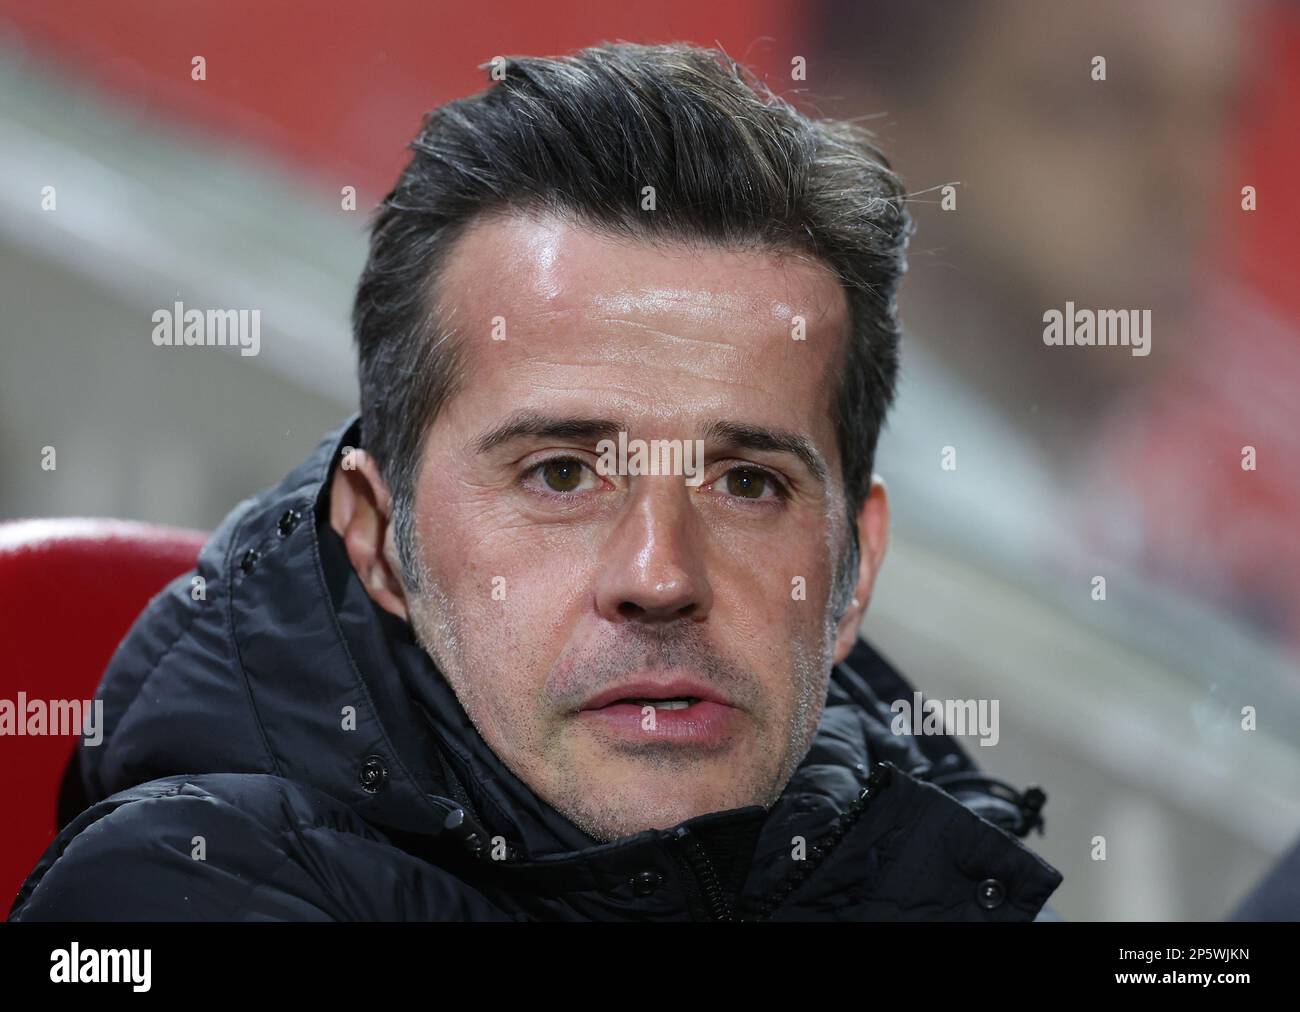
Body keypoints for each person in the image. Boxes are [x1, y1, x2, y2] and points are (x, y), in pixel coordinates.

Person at [9, 42, 1061, 921]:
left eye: (745, 483)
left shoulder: (922, 852)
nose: (659, 574)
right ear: (381, 537)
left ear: (853, 570)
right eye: (561, 472)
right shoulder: (182, 891)